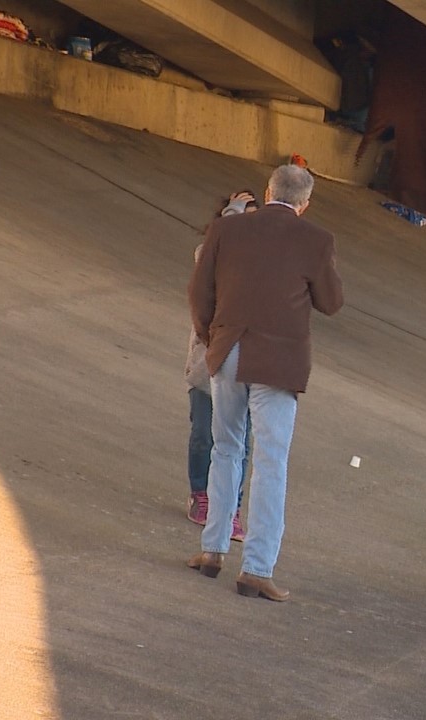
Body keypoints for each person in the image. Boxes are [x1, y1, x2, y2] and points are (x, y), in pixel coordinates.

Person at [186, 165, 344, 602]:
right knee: (271, 462)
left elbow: (199, 292)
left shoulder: (226, 230)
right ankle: (256, 569)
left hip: (228, 350)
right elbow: (331, 302)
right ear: (305, 202)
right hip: (278, 362)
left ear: (267, 191)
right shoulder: (317, 240)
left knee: (226, 448)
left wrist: (211, 337)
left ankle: (212, 550)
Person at [185, 191, 260, 540]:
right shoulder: (212, 259)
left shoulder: (264, 265)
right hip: (206, 367)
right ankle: (200, 495)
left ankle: (229, 509)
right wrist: (232, 214)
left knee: (239, 445)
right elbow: (205, 256)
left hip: (245, 369)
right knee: (204, 436)